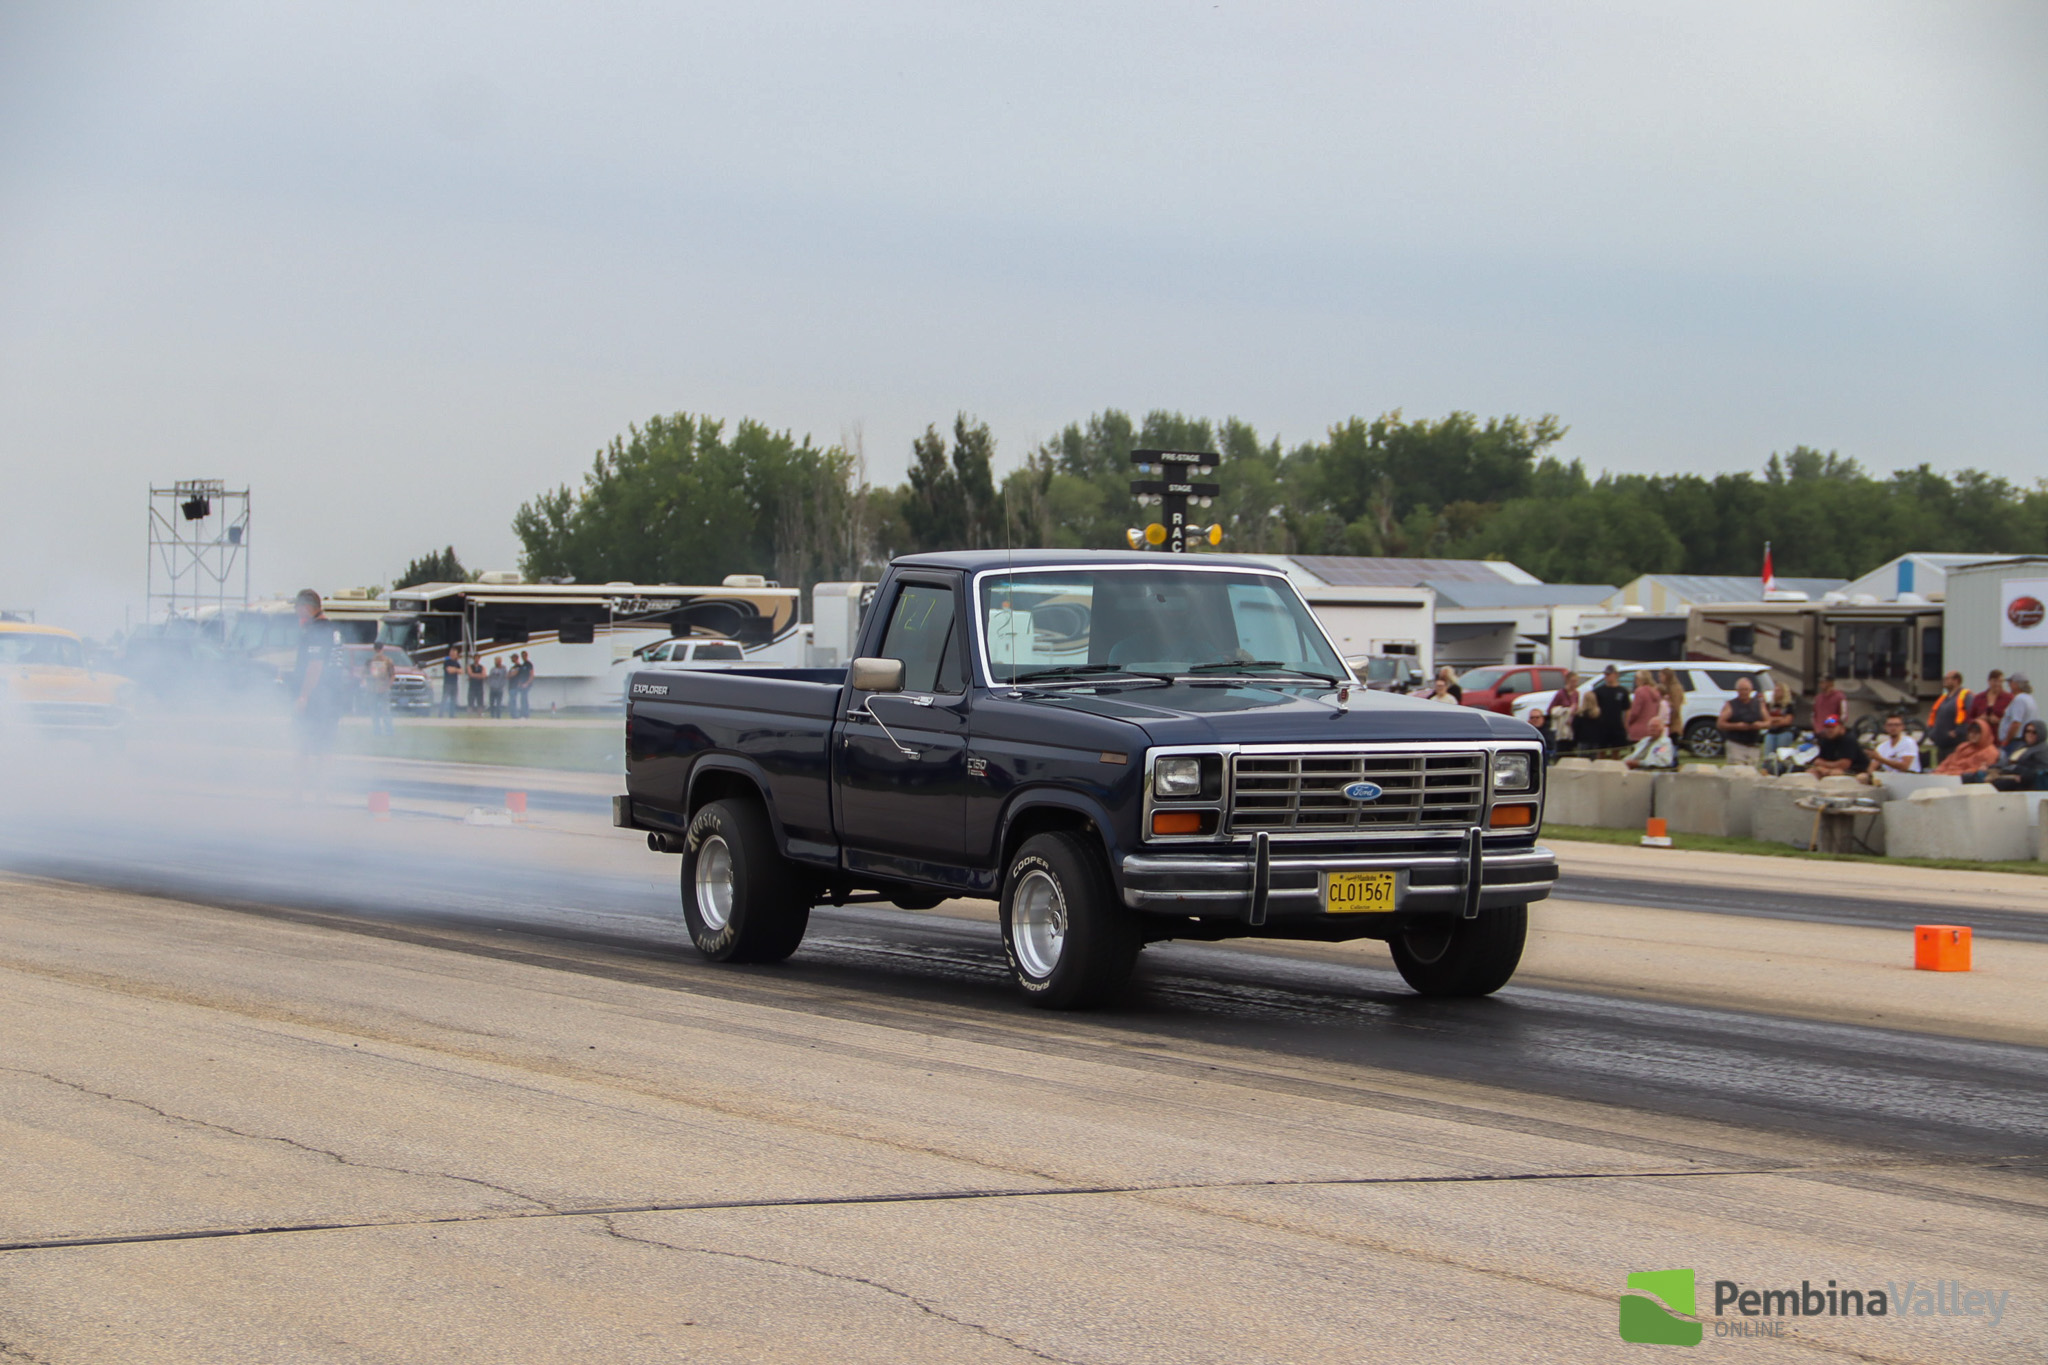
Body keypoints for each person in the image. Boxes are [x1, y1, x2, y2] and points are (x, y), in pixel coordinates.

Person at [290, 588, 347, 796]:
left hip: (317, 698)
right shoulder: (334, 630)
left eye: (297, 608)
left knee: (302, 745)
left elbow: (315, 665)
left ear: (306, 607)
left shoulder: (316, 631)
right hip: (333, 696)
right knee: (325, 747)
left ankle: (298, 794)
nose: (296, 612)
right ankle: (322, 794)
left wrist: (304, 696)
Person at [1717, 674, 1768, 767]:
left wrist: (1759, 725)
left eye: (1746, 689)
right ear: (1737, 690)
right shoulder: (1730, 705)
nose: (1744, 692)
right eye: (1741, 690)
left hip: (1753, 745)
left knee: (1751, 772)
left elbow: (1768, 722)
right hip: (1736, 745)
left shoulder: (1759, 704)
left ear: (1750, 690)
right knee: (1738, 771)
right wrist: (1737, 726)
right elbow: (1720, 724)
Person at [1985, 721, 2048, 791]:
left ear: (2040, 733)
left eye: (2034, 732)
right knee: (1981, 774)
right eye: (2027, 731)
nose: (2030, 734)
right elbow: (2007, 763)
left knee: (1995, 784)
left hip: (2023, 781)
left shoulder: (2042, 751)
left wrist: (2023, 775)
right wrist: (1991, 768)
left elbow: (2041, 770)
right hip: (2007, 773)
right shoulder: (2022, 747)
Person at [1926, 670, 1974, 762]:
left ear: (1956, 681)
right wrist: (1931, 732)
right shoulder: (1943, 698)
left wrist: (1959, 731)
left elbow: (1970, 715)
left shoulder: (1965, 696)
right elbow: (1933, 716)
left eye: (1947, 678)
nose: (1944, 681)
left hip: (1955, 746)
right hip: (1941, 745)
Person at [1807, 714, 1869, 779]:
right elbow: (1819, 760)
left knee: (1836, 773)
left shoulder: (1848, 740)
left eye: (1832, 727)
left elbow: (1844, 764)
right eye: (1827, 727)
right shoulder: (1825, 739)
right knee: (1811, 772)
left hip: (1854, 770)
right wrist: (1821, 768)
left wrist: (1824, 765)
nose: (1829, 730)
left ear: (1841, 728)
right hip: (1832, 769)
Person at [1588, 665, 1630, 757]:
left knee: (1616, 752)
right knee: (1601, 751)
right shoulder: (1599, 691)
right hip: (1602, 726)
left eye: (1609, 674)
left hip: (1617, 726)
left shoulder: (1622, 691)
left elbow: (1627, 709)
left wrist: (1626, 724)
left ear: (1616, 675)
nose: (1607, 677)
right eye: (1606, 675)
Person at [1935, 719, 2001, 778]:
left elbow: (1974, 772)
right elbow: (1947, 762)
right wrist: (1937, 773)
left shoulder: (1990, 752)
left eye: (1977, 732)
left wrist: (1950, 774)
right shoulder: (1963, 747)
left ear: (1984, 733)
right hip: (1946, 776)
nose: (1972, 735)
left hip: (1964, 780)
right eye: (1971, 732)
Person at [1866, 713, 1921, 777]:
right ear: (1885, 727)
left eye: (1897, 725)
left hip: (1908, 776)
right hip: (1888, 777)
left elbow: (1904, 767)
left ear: (1902, 727)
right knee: (1862, 777)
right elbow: (1872, 768)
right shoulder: (1882, 746)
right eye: (1890, 725)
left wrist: (1880, 759)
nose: (1893, 728)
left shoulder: (1909, 742)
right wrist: (1871, 775)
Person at [1761, 681, 1798, 770]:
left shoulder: (1788, 705)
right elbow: (1766, 719)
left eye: (1779, 690)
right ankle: (1768, 770)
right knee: (1768, 756)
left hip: (1784, 732)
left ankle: (1781, 771)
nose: (1776, 692)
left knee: (1781, 757)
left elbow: (1787, 721)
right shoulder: (1770, 705)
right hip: (1771, 732)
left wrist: (1773, 720)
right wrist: (1778, 719)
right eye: (1775, 690)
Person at [1998, 673, 2038, 748]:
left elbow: (2016, 723)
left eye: (2011, 682)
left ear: (2017, 684)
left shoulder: (2019, 699)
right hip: (2024, 740)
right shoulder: (2029, 698)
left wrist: (2007, 740)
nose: (2009, 685)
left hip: (2016, 741)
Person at [365, 642, 396, 737]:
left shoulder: (384, 661)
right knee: (381, 711)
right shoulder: (386, 661)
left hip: (379, 689)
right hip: (375, 689)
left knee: (381, 711)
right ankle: (381, 731)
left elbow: (392, 675)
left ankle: (384, 731)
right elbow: (392, 675)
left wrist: (387, 686)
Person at [1625, 672, 1664, 743]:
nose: (1635, 681)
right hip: (1651, 730)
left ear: (1641, 679)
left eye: (1636, 678)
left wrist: (1628, 723)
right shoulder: (1656, 692)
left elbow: (1634, 712)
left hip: (1638, 731)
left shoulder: (1640, 691)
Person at [440, 649, 462, 717]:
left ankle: (452, 715)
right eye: (452, 654)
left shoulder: (457, 663)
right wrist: (456, 670)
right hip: (447, 683)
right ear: (450, 654)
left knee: (453, 700)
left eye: (455, 654)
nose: (453, 655)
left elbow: (461, 671)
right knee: (444, 699)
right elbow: (449, 670)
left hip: (454, 683)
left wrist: (454, 669)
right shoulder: (447, 662)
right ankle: (440, 714)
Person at [513, 651, 534, 718]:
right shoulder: (523, 665)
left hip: (527, 684)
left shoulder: (529, 664)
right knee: (522, 698)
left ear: (527, 656)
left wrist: (527, 683)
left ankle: (526, 714)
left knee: (524, 698)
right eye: (522, 655)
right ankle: (522, 713)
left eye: (524, 655)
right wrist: (519, 683)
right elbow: (521, 675)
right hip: (522, 684)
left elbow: (531, 674)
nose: (523, 657)